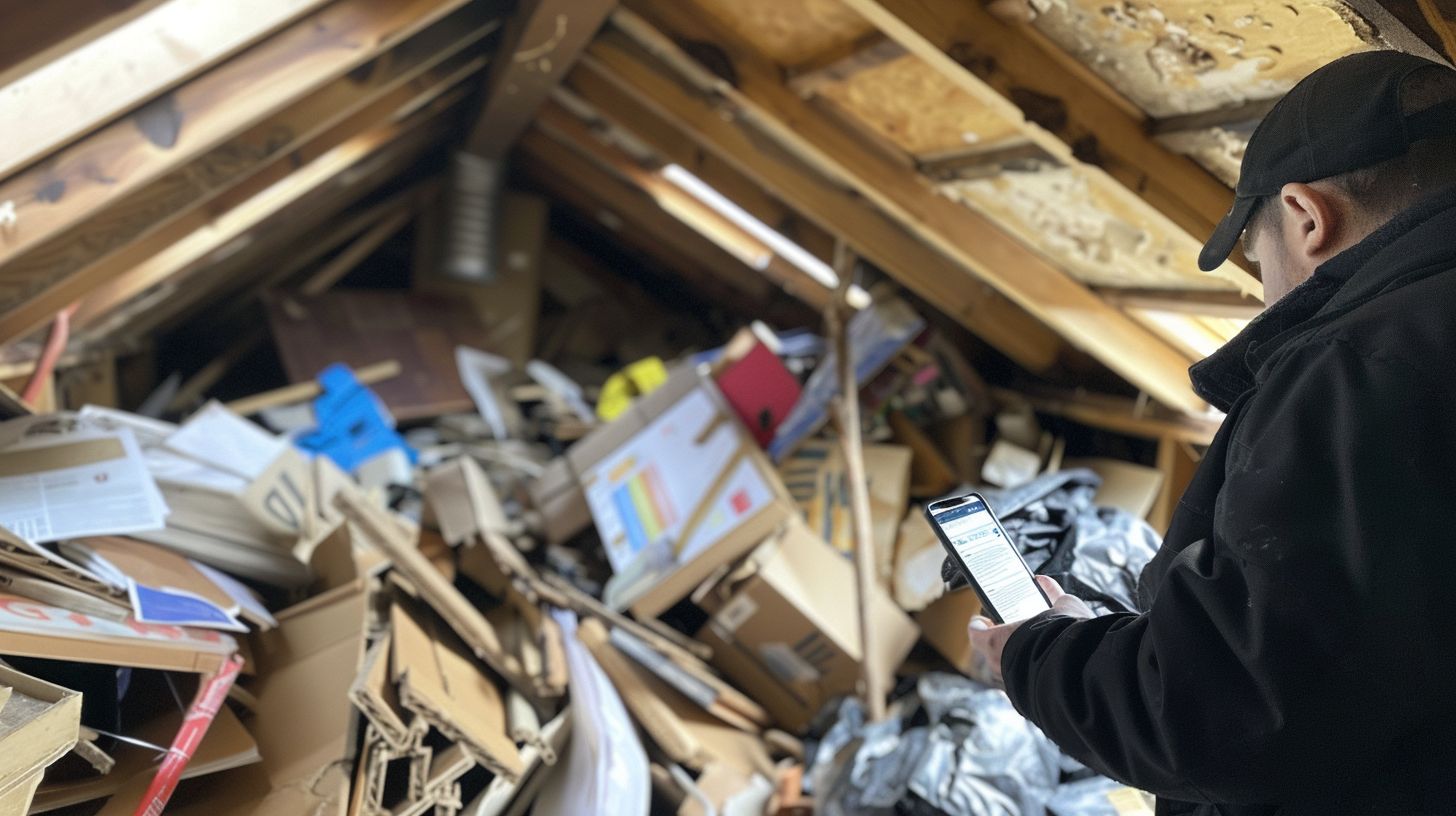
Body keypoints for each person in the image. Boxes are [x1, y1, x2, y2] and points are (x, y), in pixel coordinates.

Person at [966, 50, 1456, 815]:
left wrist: (1033, 652)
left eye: (1257, 260)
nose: (1264, 295)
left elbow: (1218, 717)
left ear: (1306, 217)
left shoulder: (1358, 367)